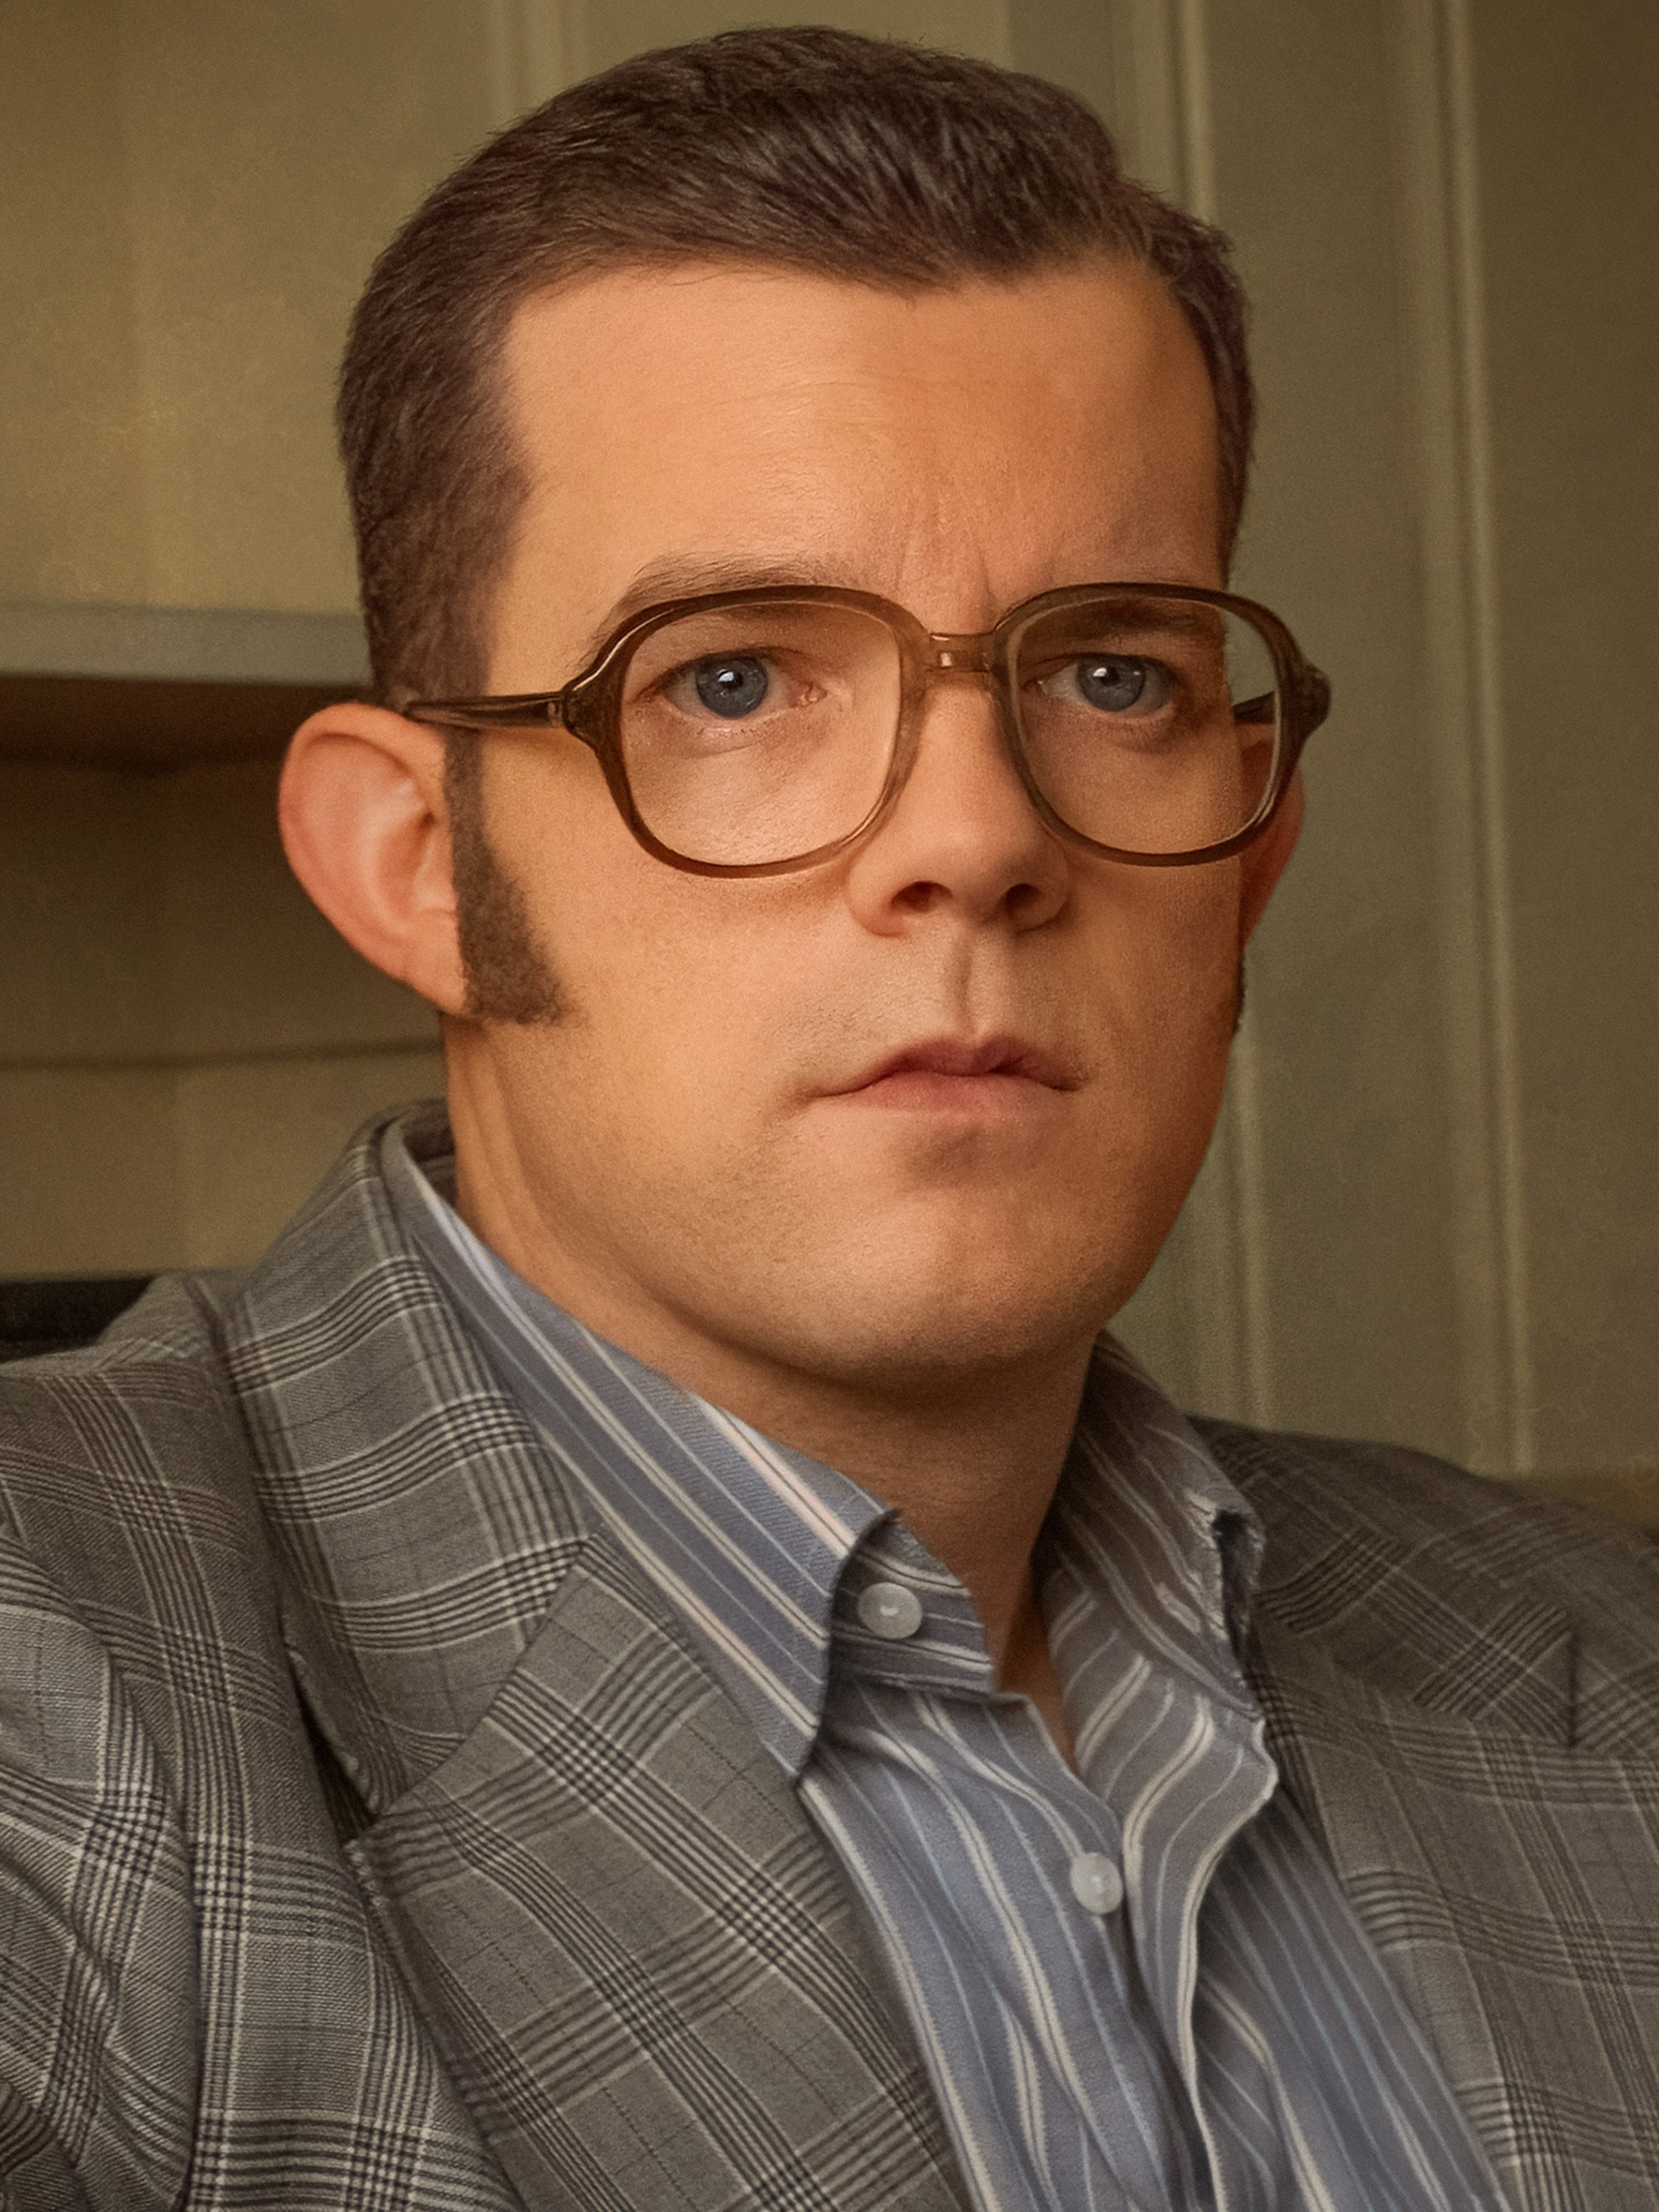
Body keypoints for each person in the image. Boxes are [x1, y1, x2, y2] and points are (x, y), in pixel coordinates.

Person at [3, 27, 1656, 2212]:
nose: (976, 840)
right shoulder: (49, 1713)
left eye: (1114, 675)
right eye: (732, 678)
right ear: (417, 867)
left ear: (1248, 859)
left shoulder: (1604, 1647)